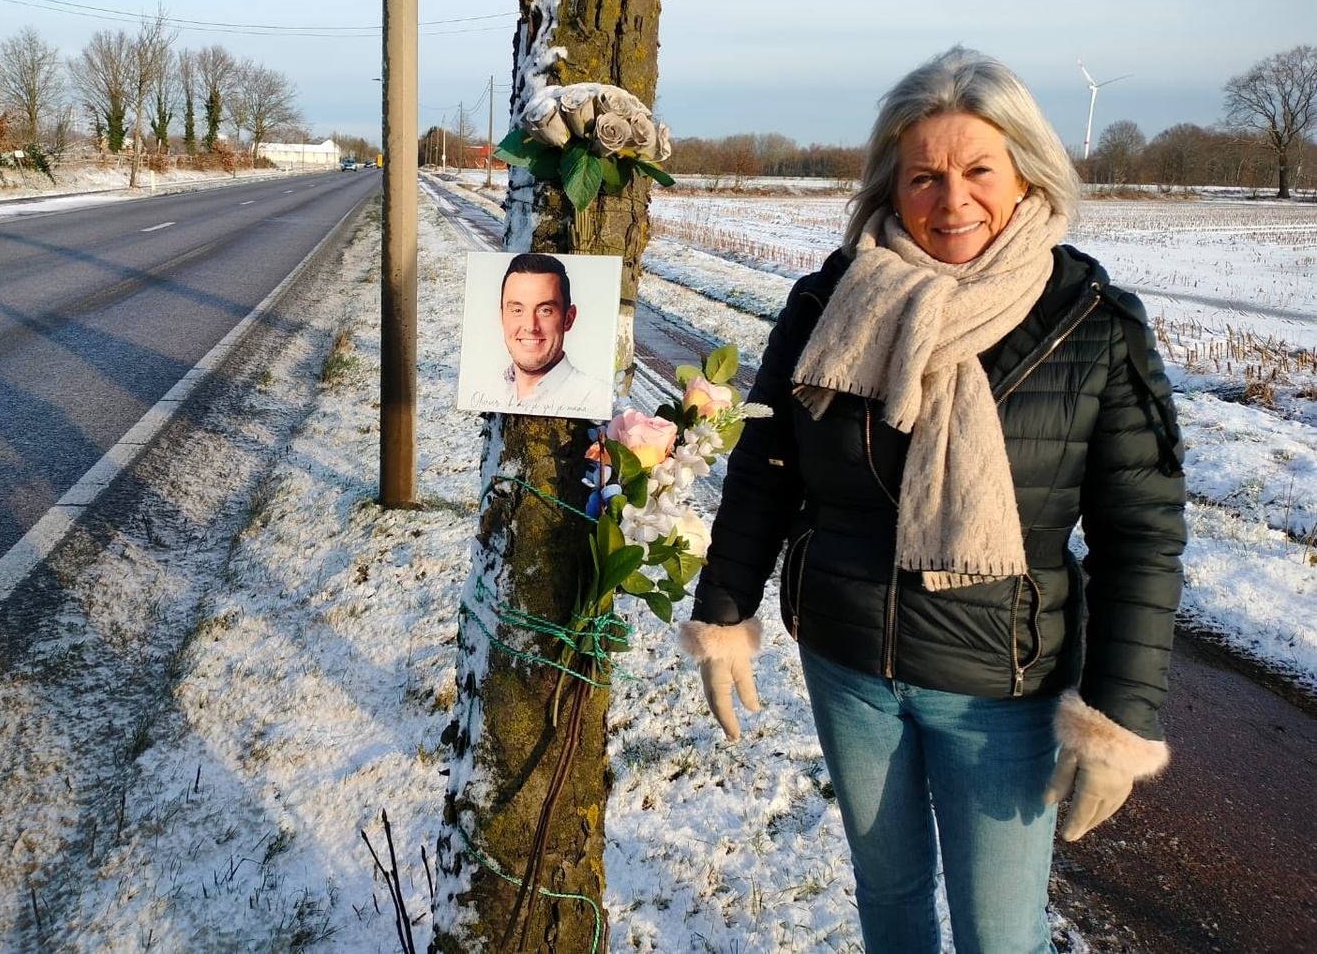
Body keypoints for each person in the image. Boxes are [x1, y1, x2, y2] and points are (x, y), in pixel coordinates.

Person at [678, 47, 1186, 954]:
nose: (952, 199)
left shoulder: (1093, 321)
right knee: (894, 903)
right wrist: (724, 610)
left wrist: (1119, 713)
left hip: (1005, 689)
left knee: (1000, 936)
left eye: (978, 168)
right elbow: (767, 467)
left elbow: (1139, 531)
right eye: (925, 175)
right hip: (849, 668)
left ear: (1026, 172)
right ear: (890, 186)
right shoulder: (832, 301)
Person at [471, 252, 611, 417]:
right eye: (517, 310)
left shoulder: (598, 401)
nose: (530, 326)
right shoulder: (484, 392)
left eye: (545, 310)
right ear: (502, 317)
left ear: (568, 319)